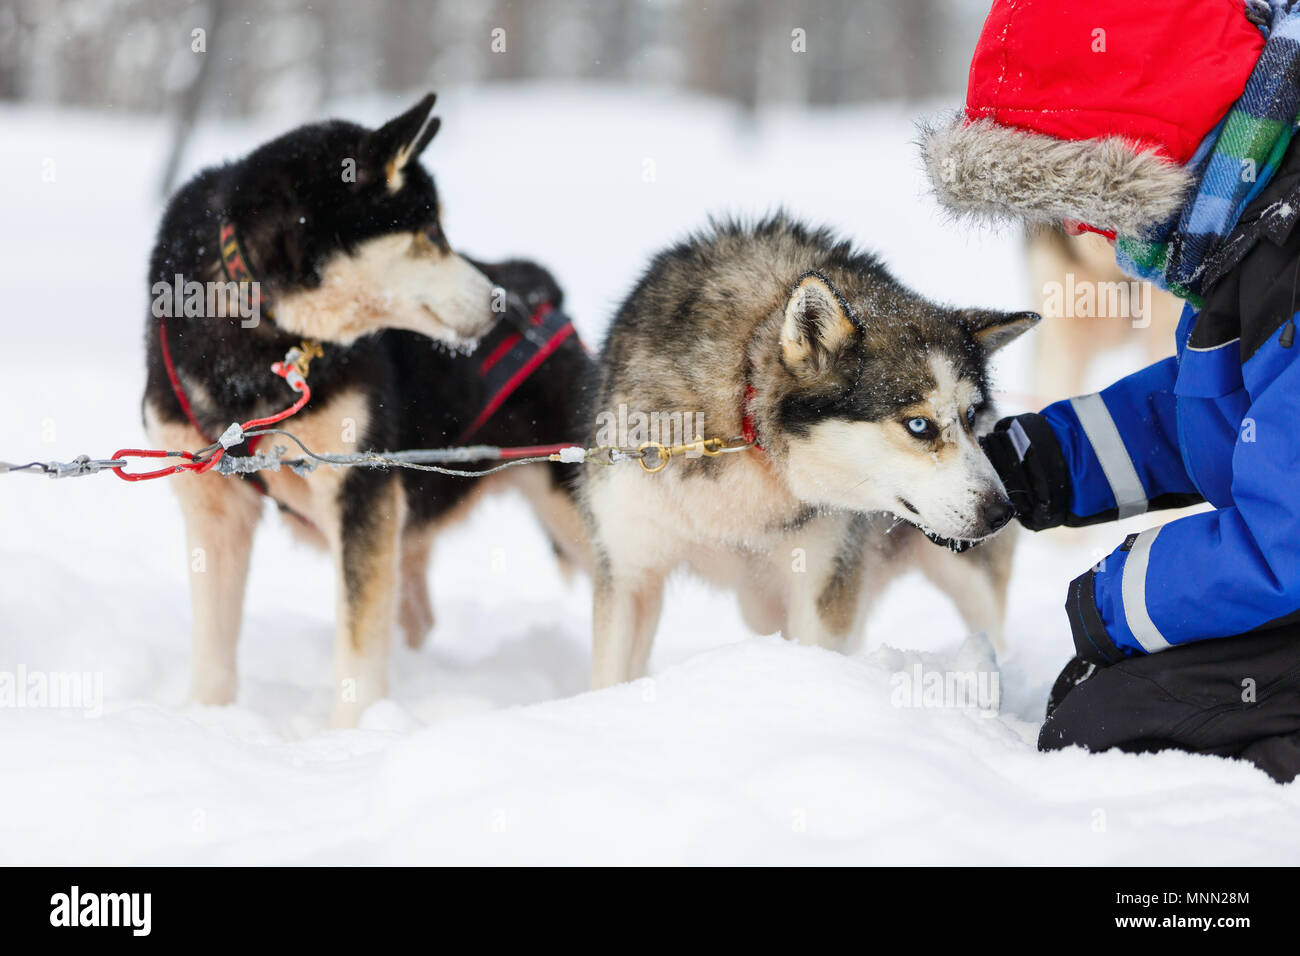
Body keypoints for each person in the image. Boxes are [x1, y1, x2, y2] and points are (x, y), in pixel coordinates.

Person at [921, 0, 1300, 781]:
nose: (1080, 230)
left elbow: (1285, 541)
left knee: (1105, 731)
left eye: (1088, 198)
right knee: (1106, 702)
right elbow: (1231, 412)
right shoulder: (1257, 226)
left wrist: (1112, 600)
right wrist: (1046, 460)